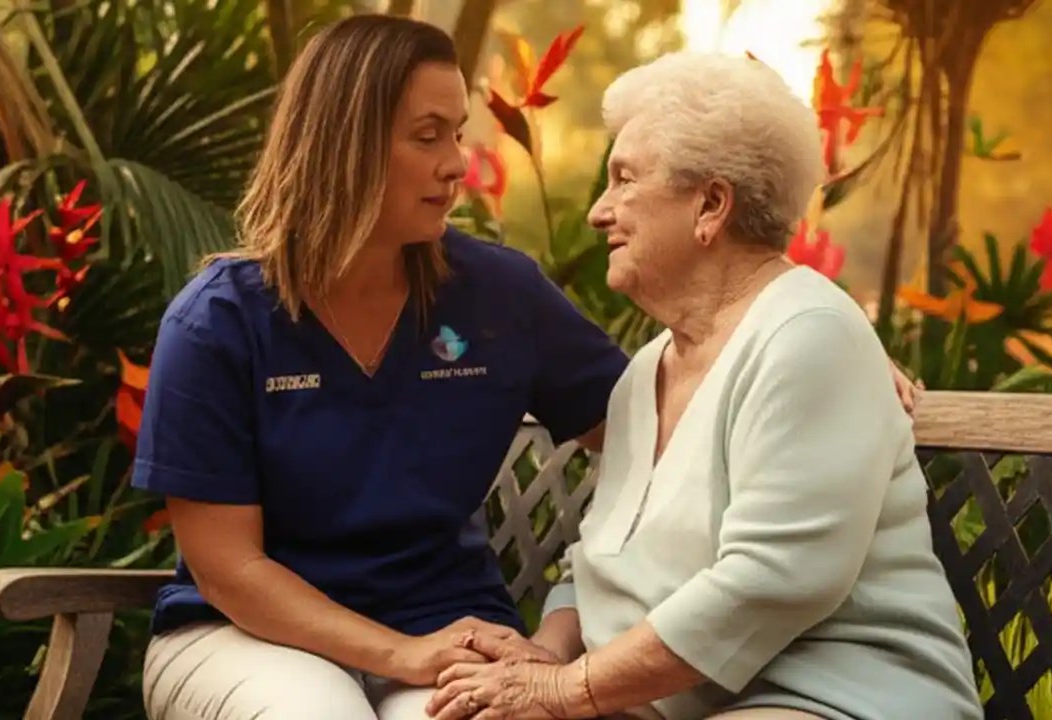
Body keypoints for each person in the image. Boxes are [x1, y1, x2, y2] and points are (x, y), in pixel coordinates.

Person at [132, 16, 923, 720]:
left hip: (451, 637)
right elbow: (230, 568)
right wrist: (401, 654)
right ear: (347, 142)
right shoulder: (219, 322)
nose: (457, 164)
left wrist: (820, 340)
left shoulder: (496, 295)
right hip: (251, 637)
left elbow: (669, 418)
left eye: (458, 133)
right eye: (427, 135)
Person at [424, 53, 983, 720]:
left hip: (835, 698)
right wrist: (546, 652)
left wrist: (567, 691)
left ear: (711, 205)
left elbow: (769, 584)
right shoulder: (646, 373)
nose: (601, 211)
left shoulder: (809, 337)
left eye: (624, 180)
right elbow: (601, 567)